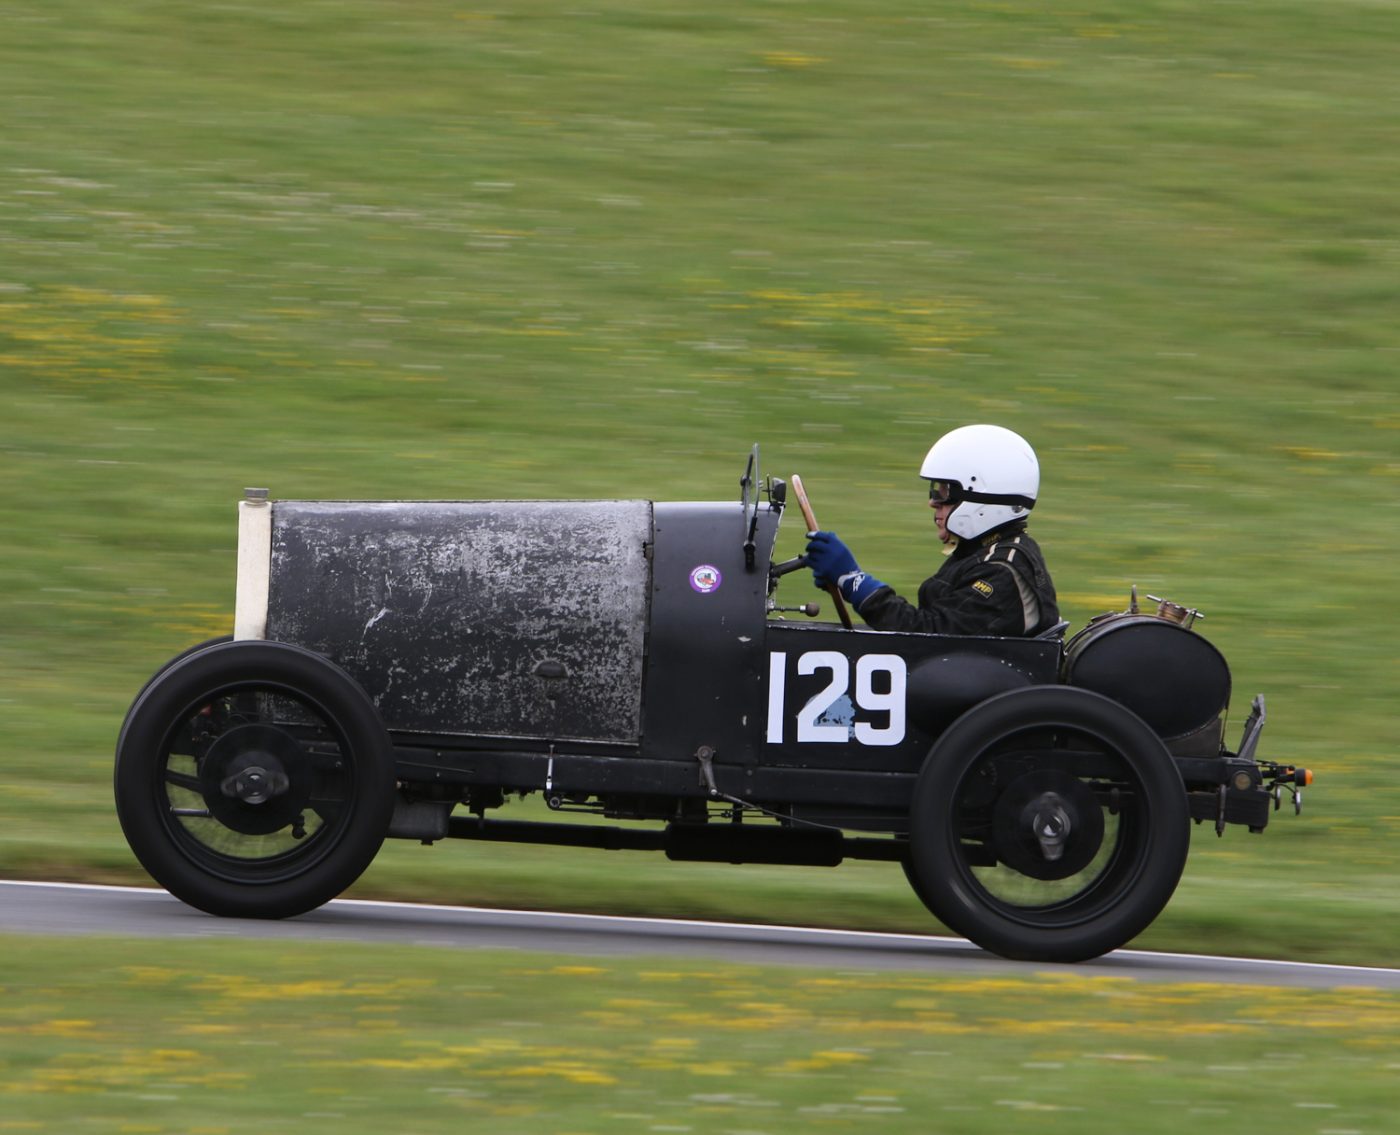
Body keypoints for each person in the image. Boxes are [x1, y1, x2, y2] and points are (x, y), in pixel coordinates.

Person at [804, 424, 1060, 637]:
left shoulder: (1000, 571)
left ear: (982, 497)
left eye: (945, 492)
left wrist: (855, 582)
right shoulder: (984, 552)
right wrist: (849, 585)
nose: (933, 501)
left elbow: (927, 637)